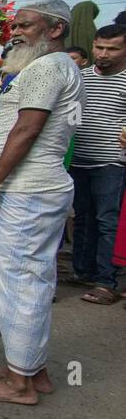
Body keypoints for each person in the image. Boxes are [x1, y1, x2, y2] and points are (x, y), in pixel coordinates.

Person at [0, 0, 84, 405]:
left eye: (25, 25)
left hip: (25, 190)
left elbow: (26, 129)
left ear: (56, 29)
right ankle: (28, 368)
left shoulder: (47, 67)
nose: (16, 33)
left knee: (21, 283)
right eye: (14, 25)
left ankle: (20, 385)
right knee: (26, 280)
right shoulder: (57, 67)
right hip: (31, 188)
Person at [68, 23, 126, 304]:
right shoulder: (81, 77)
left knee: (107, 221)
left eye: (113, 48)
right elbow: (72, 116)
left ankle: (107, 282)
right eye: (99, 47)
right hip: (78, 159)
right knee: (82, 217)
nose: (104, 54)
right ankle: (83, 271)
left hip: (111, 162)